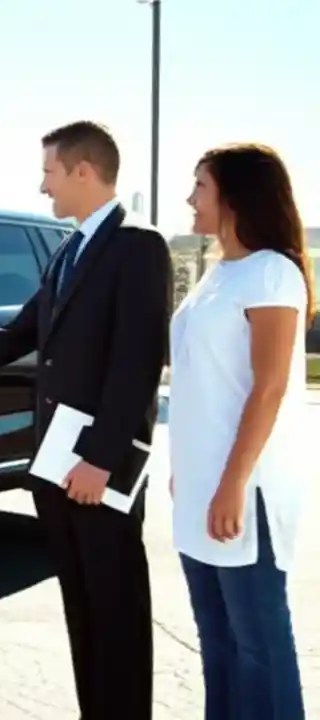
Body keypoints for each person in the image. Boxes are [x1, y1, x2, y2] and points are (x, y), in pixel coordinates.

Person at [0, 121, 172, 720]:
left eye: (49, 172)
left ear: (83, 171)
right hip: (56, 466)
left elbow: (137, 362)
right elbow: (15, 336)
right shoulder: (70, 250)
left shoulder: (138, 246)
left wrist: (99, 457)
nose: (42, 187)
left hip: (98, 470)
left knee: (115, 614)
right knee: (83, 611)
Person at [168, 143, 313, 719]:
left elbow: (269, 387)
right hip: (203, 488)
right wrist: (190, 471)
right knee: (218, 640)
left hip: (246, 489)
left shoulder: (272, 272)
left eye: (199, 185)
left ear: (234, 195)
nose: (189, 198)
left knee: (259, 646)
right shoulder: (218, 273)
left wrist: (231, 483)